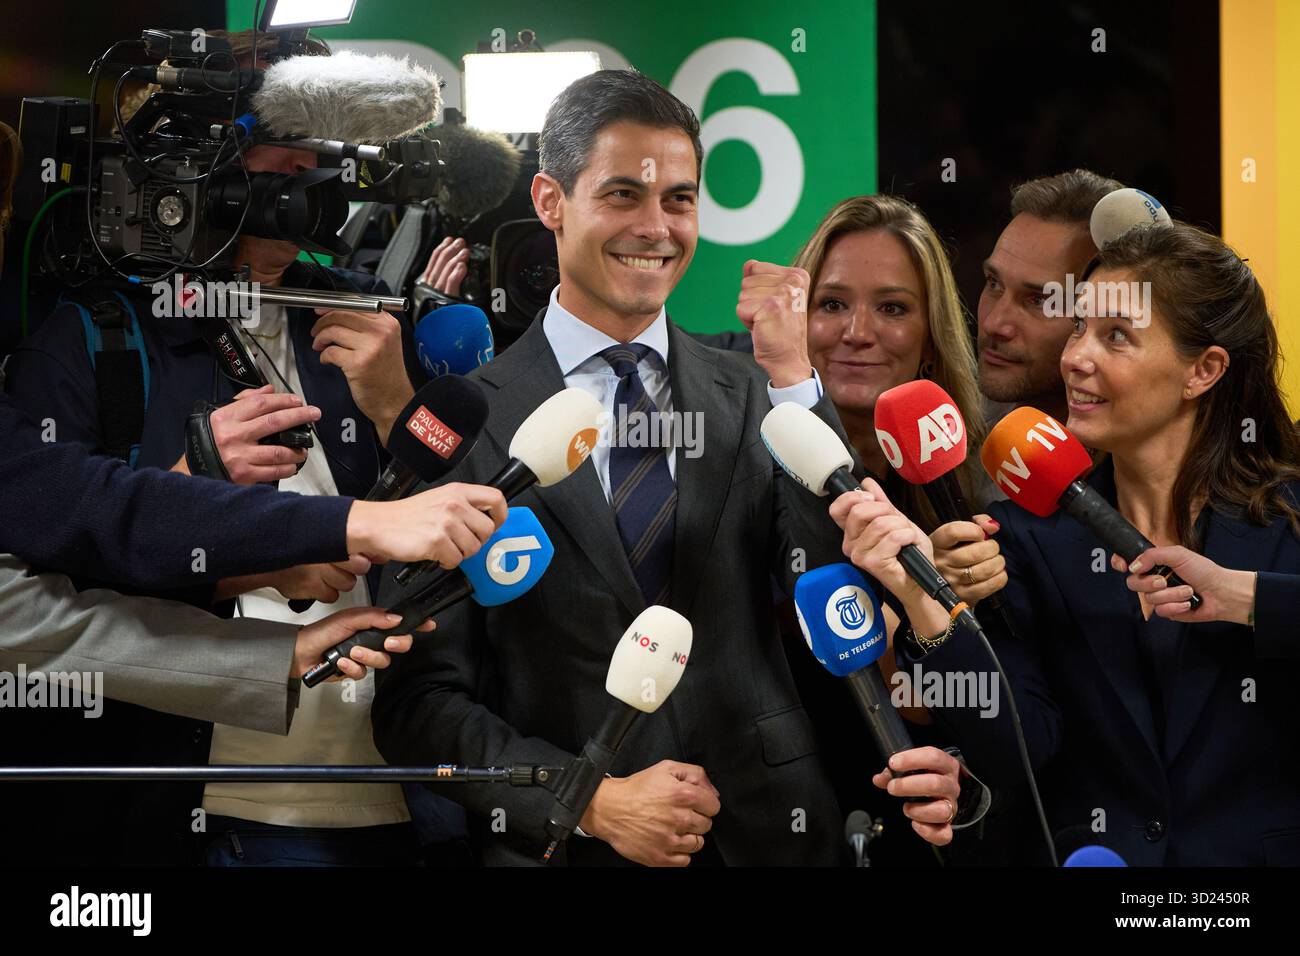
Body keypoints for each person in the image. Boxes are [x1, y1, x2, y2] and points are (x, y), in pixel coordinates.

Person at [372, 69, 973, 866]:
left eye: (679, 199)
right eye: (623, 195)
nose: (656, 227)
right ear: (551, 202)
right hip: (572, 847)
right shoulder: (462, 419)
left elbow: (843, 607)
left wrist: (796, 380)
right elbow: (417, 705)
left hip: (775, 838)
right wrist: (586, 800)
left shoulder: (761, 393)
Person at [1, 29, 485, 866]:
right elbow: (43, 589)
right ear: (186, 184)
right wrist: (208, 510)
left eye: (313, 179)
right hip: (213, 795)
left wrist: (390, 404)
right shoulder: (98, 343)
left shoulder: (366, 318)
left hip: (404, 786)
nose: (303, 209)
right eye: (273, 180)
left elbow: (476, 530)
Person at [838, 222, 1300, 865]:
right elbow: (1020, 747)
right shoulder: (1025, 537)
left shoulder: (1289, 514)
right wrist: (927, 603)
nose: (1076, 357)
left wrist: (1246, 599)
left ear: (1204, 369)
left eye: (1117, 337)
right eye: (1079, 327)